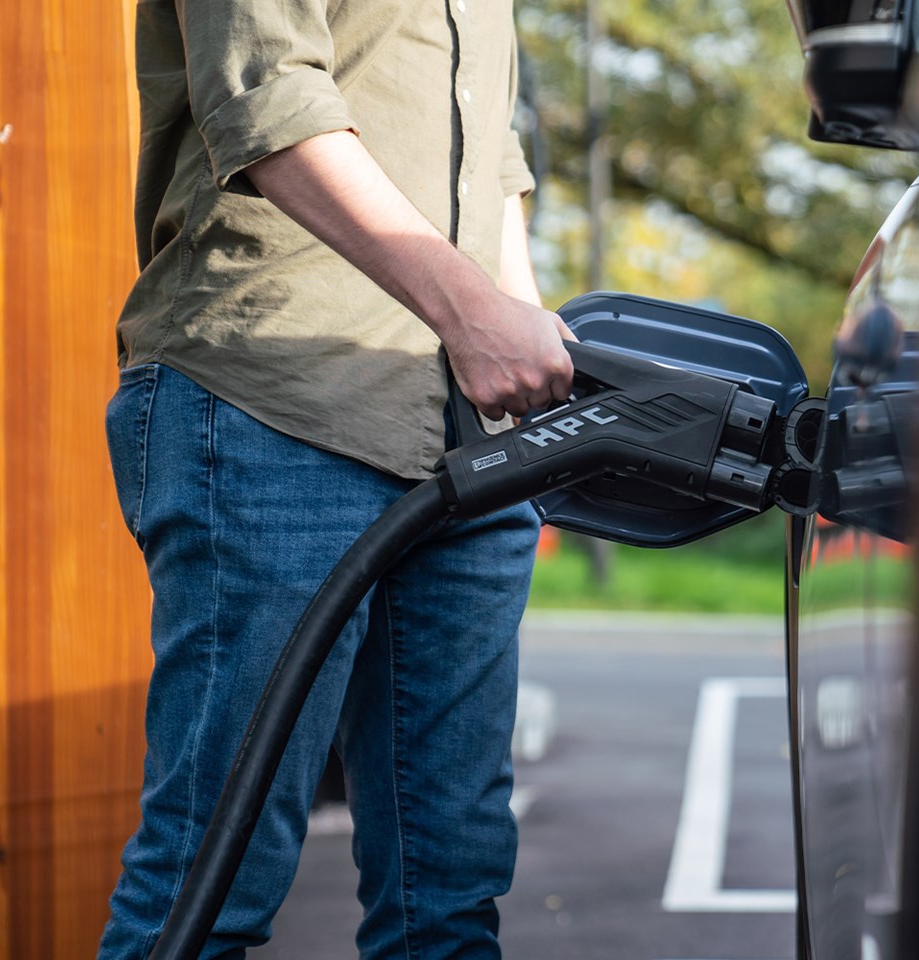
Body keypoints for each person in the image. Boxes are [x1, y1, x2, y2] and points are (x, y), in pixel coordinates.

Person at [96, 1, 570, 957]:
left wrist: (536, 363)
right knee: (208, 888)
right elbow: (271, 98)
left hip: (468, 441)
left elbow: (489, 154)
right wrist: (474, 313)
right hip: (279, 406)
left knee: (449, 898)